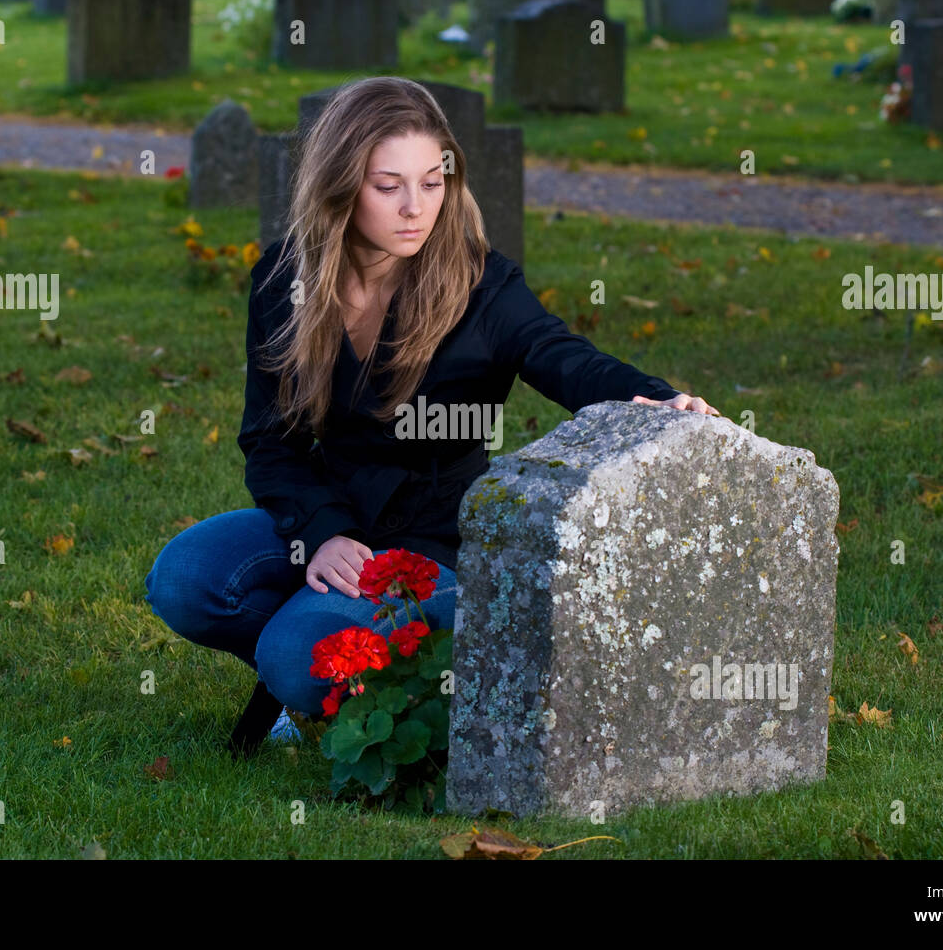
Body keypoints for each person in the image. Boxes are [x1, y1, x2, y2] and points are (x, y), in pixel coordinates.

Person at [144, 77, 721, 754]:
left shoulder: (481, 284)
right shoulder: (284, 279)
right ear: (340, 182)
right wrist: (324, 534)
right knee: (185, 579)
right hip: (334, 515)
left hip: (433, 538)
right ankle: (334, 644)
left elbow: (562, 355)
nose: (415, 207)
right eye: (388, 185)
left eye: (432, 181)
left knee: (296, 658)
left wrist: (652, 398)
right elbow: (269, 441)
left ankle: (443, 635)